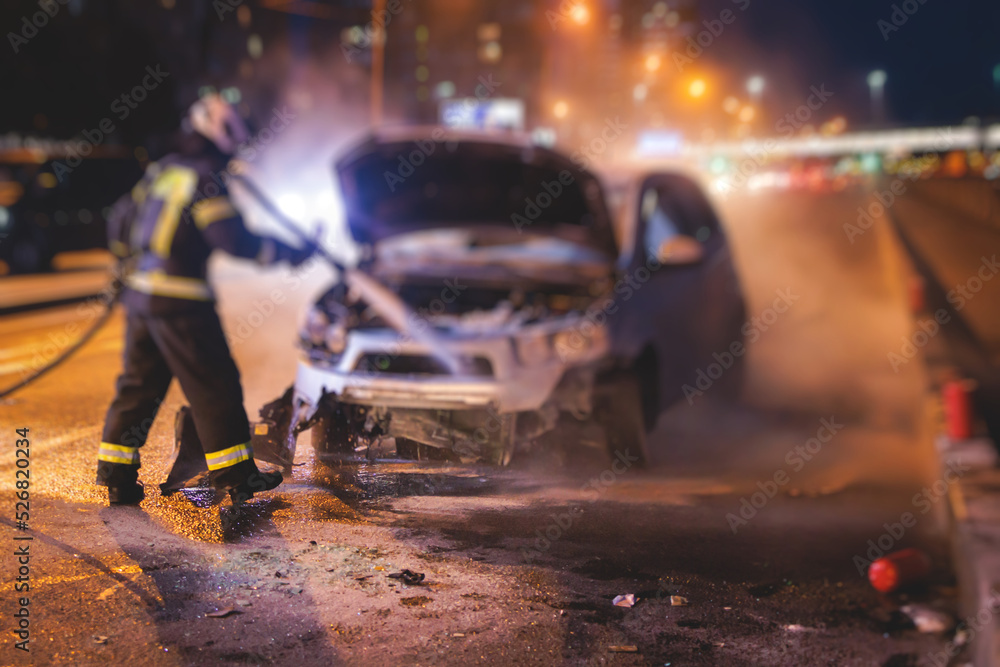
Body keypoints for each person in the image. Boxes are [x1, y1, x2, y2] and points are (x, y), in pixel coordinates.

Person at [96, 93, 316, 505]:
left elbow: (120, 219)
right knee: (215, 385)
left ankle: (116, 478)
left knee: (138, 387)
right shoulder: (205, 176)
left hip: (142, 299)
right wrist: (288, 253)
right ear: (223, 133)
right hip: (181, 302)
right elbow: (231, 239)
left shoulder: (164, 170)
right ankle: (235, 478)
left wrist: (127, 264)